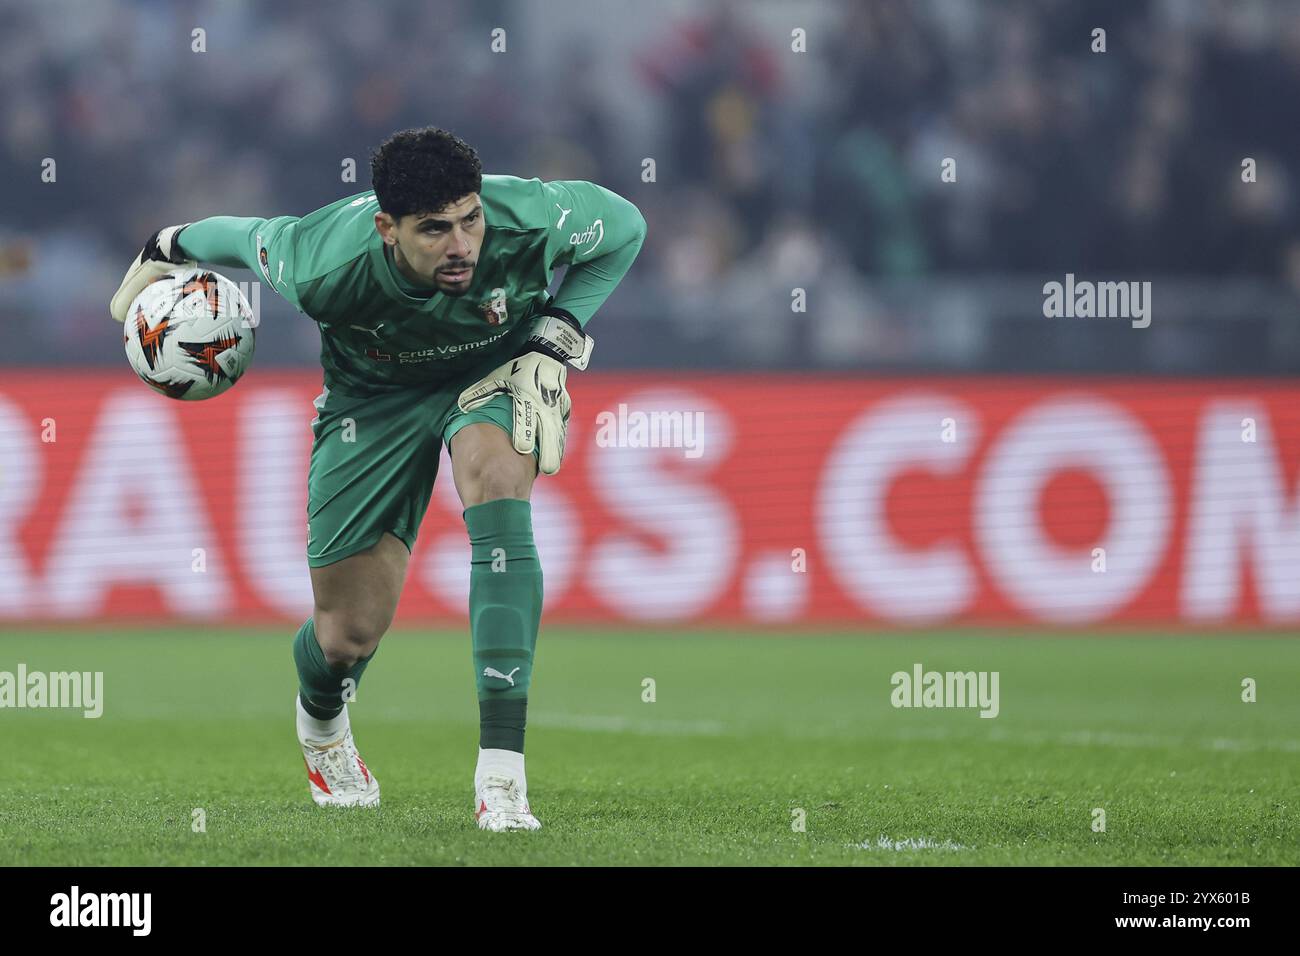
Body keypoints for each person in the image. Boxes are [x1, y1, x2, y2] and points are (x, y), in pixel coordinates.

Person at [110, 127, 647, 831]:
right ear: (386, 227)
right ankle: (323, 721)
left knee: (496, 479)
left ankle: (502, 779)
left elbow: (627, 229)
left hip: (490, 374)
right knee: (346, 636)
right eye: (434, 230)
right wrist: (167, 244)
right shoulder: (317, 262)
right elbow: (245, 237)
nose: (461, 246)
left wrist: (556, 335)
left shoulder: (532, 215)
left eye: (469, 220)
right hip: (372, 404)